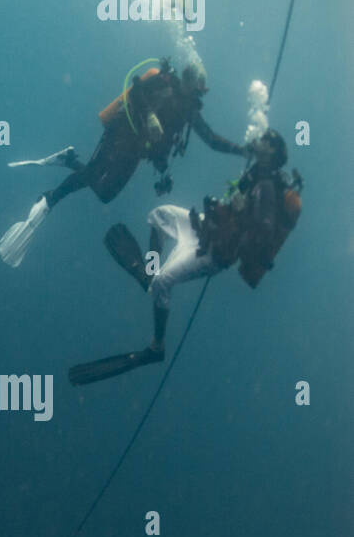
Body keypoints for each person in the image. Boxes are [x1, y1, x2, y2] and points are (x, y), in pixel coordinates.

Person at [70, 129, 302, 384]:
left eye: (266, 139)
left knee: (163, 283)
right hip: (205, 228)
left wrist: (244, 216)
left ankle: (156, 347)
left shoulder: (266, 187)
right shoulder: (255, 172)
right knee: (159, 215)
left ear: (273, 152)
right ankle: (149, 274)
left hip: (217, 252)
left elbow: (265, 229)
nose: (259, 139)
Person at [0, 58, 245, 267]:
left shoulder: (189, 110)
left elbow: (211, 139)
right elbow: (137, 89)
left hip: (137, 151)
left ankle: (70, 160)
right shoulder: (163, 82)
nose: (200, 95)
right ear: (191, 82)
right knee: (93, 172)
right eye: (199, 89)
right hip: (121, 134)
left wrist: (243, 151)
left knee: (105, 194)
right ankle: (50, 199)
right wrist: (149, 116)